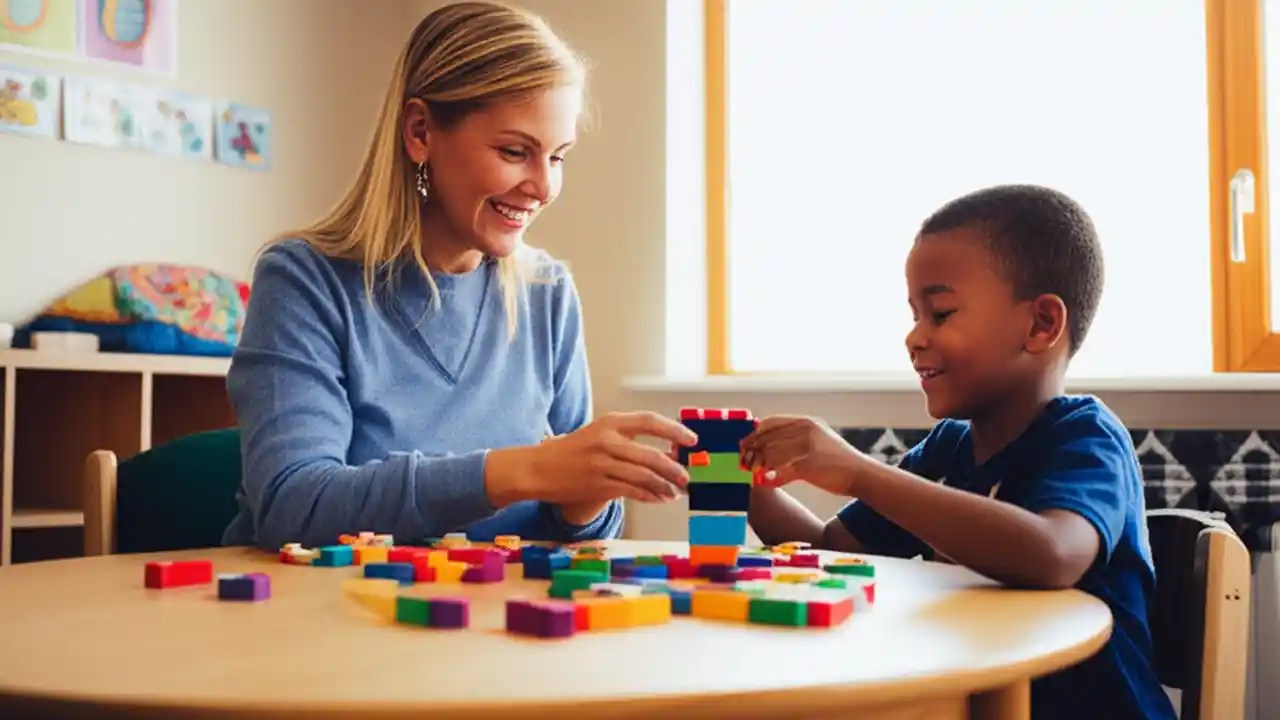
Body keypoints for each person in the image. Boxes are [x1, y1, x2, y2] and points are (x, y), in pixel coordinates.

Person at [221, 1, 695, 552]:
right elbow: (293, 506)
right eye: (515, 151)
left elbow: (577, 538)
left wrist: (587, 494)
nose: (543, 187)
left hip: (495, 624)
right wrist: (527, 470)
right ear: (421, 131)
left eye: (558, 157)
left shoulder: (547, 294)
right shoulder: (305, 282)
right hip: (330, 621)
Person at [740, 185, 1176, 720]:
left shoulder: (1084, 439)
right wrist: (742, 483)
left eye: (940, 313)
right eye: (914, 314)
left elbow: (1053, 555)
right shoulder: (949, 449)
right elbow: (829, 547)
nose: (914, 337)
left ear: (1041, 325)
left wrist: (859, 472)